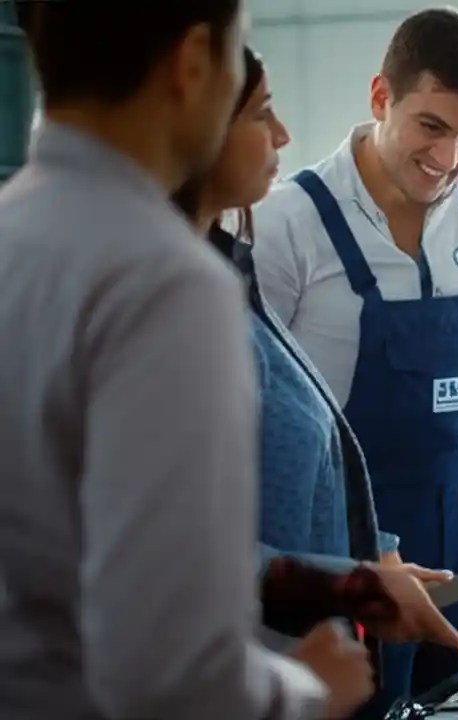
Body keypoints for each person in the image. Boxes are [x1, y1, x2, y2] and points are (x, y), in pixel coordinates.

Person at [0, 2, 366, 719]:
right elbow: (172, 673)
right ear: (193, 60)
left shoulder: (16, 233)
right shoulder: (164, 280)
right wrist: (310, 690)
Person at [252, 6, 458, 706]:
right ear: (382, 98)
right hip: (360, 525)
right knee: (367, 699)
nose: (448, 159)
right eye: (431, 127)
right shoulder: (291, 220)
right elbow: (253, 386)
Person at [169, 42, 458, 690]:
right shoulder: (163, 314)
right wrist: (348, 588)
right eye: (262, 113)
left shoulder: (227, 276)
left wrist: (371, 553)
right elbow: (166, 556)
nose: (282, 133)